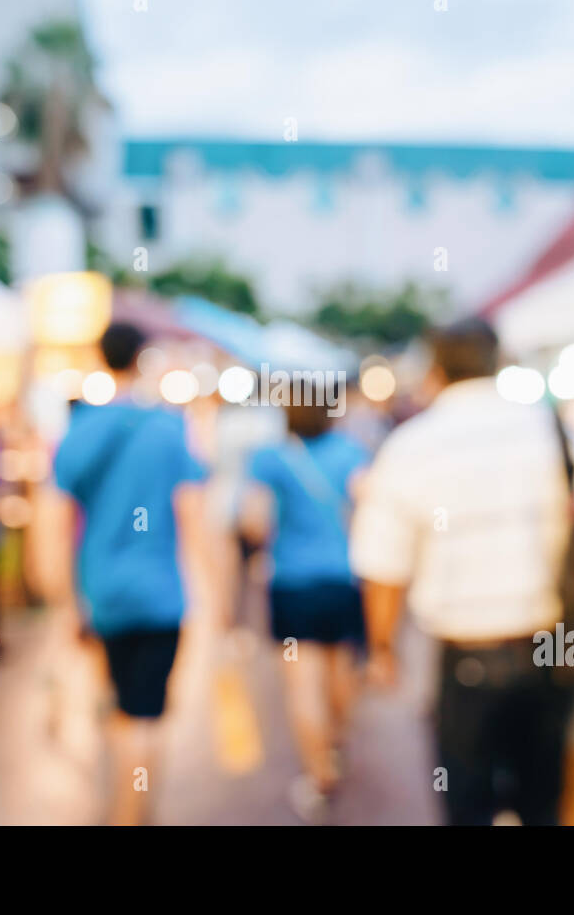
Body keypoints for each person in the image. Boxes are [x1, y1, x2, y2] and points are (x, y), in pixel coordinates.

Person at [350, 317, 574, 825]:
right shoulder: (552, 429)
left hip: (466, 662)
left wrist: (382, 648)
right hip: (556, 649)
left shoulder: (412, 445)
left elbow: (382, 564)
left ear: (435, 369)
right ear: (500, 360)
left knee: (467, 804)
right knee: (543, 801)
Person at [52, 322, 210, 826]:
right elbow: (194, 517)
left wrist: (63, 599)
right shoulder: (168, 427)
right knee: (146, 716)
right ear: (141, 357)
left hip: (102, 593)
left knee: (119, 705)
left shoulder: (80, 430)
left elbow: (53, 522)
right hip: (162, 595)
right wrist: (221, 596)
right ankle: (134, 811)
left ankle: (128, 806)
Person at [239, 386, 371, 823]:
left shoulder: (269, 458)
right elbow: (366, 508)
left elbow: (254, 522)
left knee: (302, 683)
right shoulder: (351, 452)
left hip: (292, 585)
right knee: (341, 669)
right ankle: (334, 744)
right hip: (343, 579)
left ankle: (318, 776)